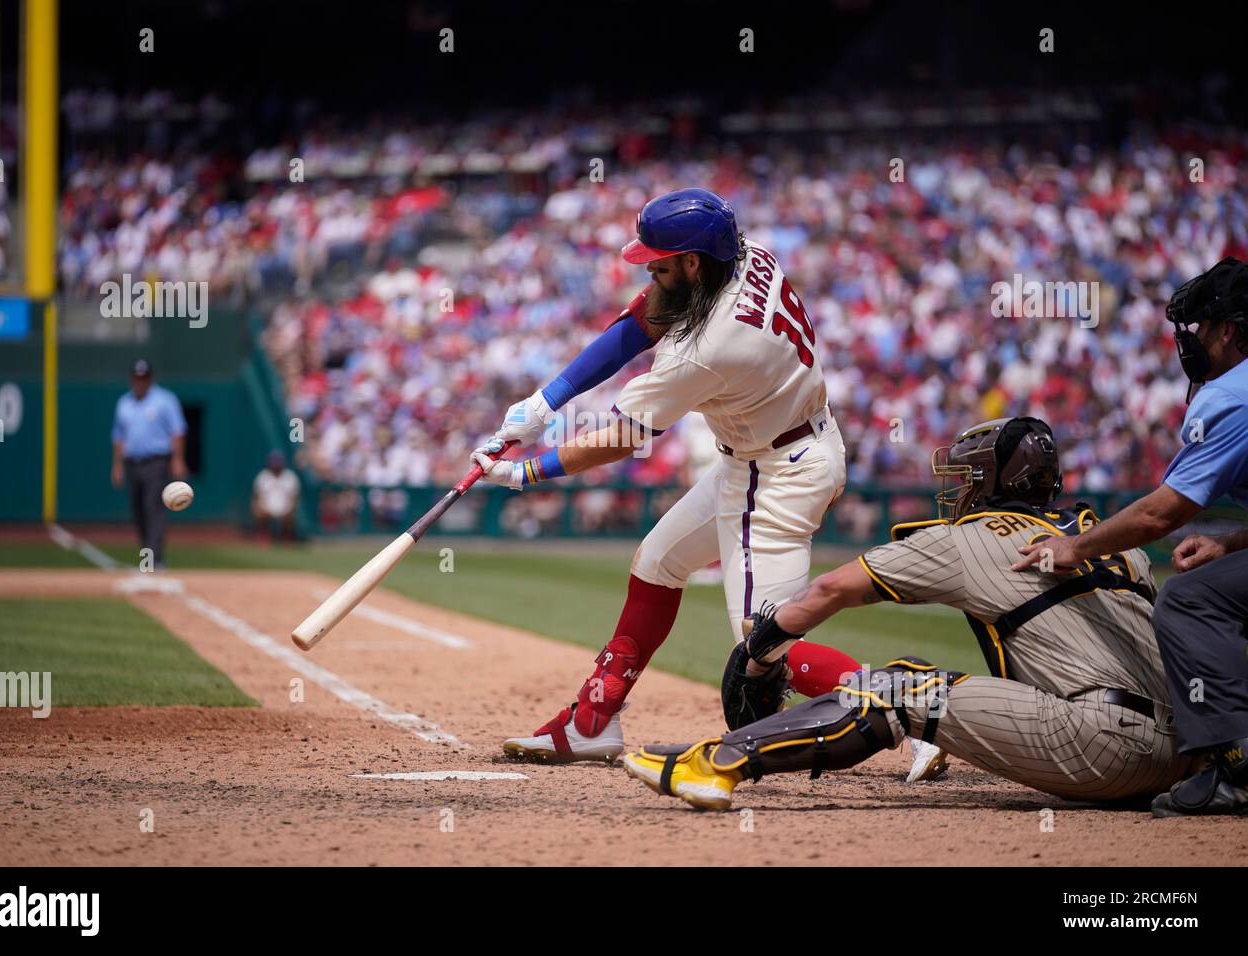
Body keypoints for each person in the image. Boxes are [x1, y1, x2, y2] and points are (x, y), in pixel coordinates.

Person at [471, 187, 944, 782]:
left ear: (693, 262)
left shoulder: (708, 348)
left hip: (776, 474)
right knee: (657, 561)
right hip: (771, 450)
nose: (651, 273)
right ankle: (594, 721)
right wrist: (547, 401)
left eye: (661, 263)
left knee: (766, 644)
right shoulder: (742, 257)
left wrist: (526, 472)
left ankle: (920, 711)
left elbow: (624, 436)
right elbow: (644, 320)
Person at [623, 417, 1190, 812]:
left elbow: (830, 590)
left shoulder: (969, 538)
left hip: (1101, 749)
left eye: (968, 478)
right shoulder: (1119, 545)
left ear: (993, 482)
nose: (959, 491)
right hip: (1181, 754)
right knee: (920, 669)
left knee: (900, 687)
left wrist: (759, 646)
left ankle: (716, 763)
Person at [1009, 258, 1248, 817]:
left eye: (1201, 328)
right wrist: (1232, 544)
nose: (1190, 341)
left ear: (1229, 332)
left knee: (1191, 601)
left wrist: (1073, 546)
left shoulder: (1232, 394)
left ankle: (1233, 769)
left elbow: (1158, 516)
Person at [110, 359, 187, 568]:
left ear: (150, 378)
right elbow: (118, 437)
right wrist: (117, 465)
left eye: (143, 377)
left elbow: (177, 430)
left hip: (156, 462)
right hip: (132, 463)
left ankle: (155, 560)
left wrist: (178, 459)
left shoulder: (164, 400)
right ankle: (149, 557)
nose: (140, 381)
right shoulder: (124, 403)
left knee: (153, 508)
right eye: (136, 377)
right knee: (138, 512)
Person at [251, 450, 301, 541]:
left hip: (285, 509)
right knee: (259, 513)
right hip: (266, 508)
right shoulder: (263, 476)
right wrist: (260, 508)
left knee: (290, 517)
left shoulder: (290, 476)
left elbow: (294, 498)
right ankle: (263, 537)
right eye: (274, 463)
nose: (276, 466)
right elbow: (256, 497)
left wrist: (290, 509)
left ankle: (287, 538)